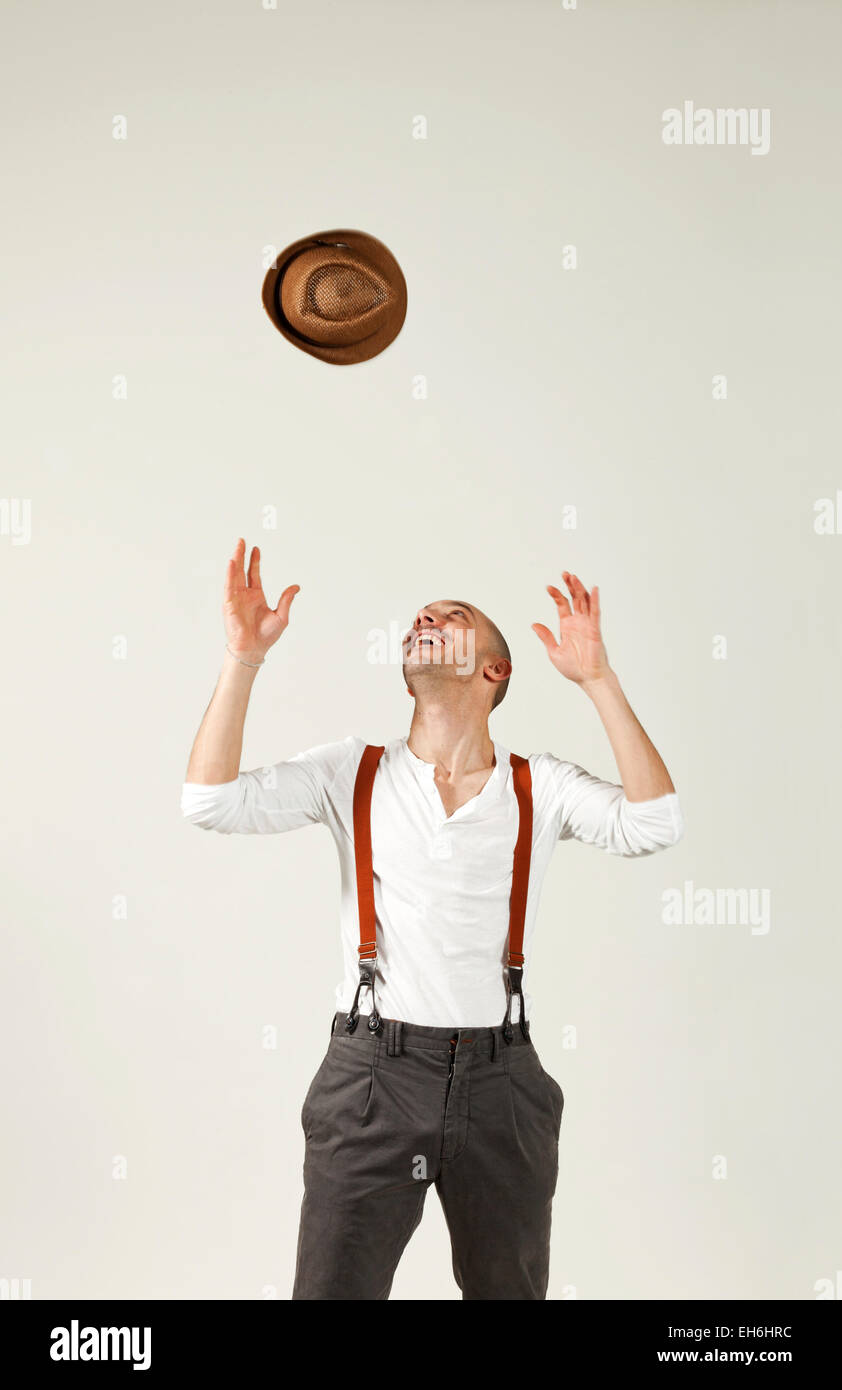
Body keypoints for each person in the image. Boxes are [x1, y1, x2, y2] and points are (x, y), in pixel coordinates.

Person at [181, 538, 684, 1300]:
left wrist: (599, 680)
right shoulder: (353, 771)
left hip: (502, 1082)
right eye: (420, 616)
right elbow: (210, 802)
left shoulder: (537, 786)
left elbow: (654, 823)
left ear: (495, 671)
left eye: (453, 618)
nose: (427, 619)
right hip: (372, 1079)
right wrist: (242, 659)